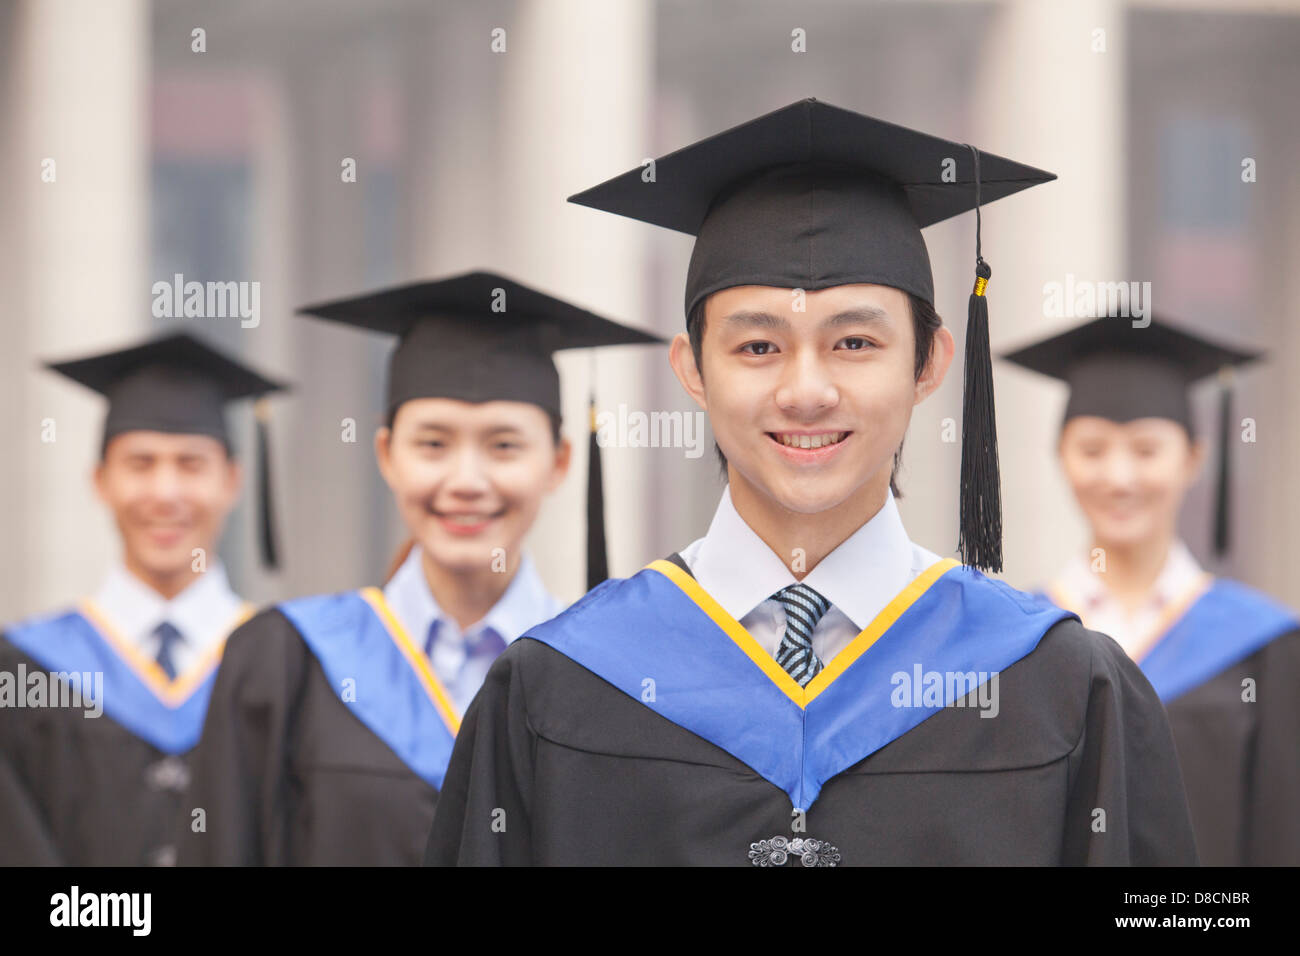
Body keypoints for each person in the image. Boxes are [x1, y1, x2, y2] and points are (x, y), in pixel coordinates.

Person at [425, 98, 1200, 866]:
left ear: (930, 363)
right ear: (692, 370)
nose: (806, 391)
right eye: (758, 346)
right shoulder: (559, 685)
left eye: (854, 342)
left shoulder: (1058, 686)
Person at [177, 270, 662, 865]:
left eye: (504, 445)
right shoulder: (286, 663)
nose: (464, 481)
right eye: (432, 444)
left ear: (559, 461)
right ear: (387, 454)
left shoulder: (610, 679)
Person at [1003, 313, 1300, 866]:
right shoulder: (1015, 641)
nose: (1118, 478)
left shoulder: (1265, 647)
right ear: (1060, 457)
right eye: (1092, 450)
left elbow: (1282, 836)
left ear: (1193, 459)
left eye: (1145, 450)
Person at [0, 331, 286, 866]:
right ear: (99, 481)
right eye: (140, 463)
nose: (165, 493)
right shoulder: (24, 672)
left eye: (191, 464)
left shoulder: (288, 666)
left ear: (233, 481)